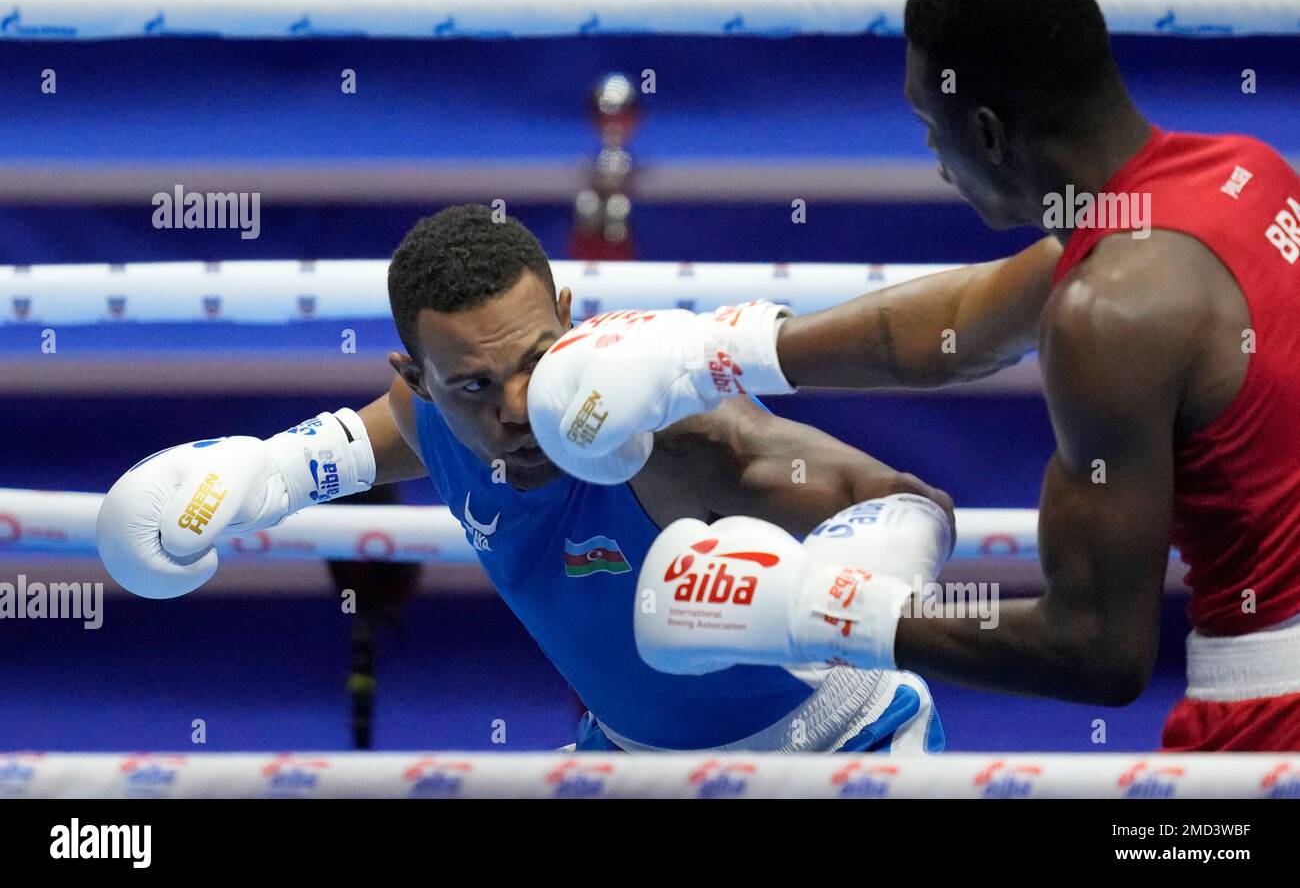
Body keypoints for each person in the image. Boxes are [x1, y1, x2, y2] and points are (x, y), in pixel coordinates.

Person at [526, 0, 1300, 751]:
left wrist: (815, 612)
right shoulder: (1239, 175)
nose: (934, 161)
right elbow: (957, 325)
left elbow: (1096, 650)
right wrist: (716, 353)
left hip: (1272, 721)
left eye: (932, 128)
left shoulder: (1107, 314)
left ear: (990, 133)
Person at [95, 204, 953, 754]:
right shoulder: (426, 420)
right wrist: (233, 484)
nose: (516, 408)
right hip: (633, 760)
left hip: (843, 747)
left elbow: (910, 503)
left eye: (539, 363)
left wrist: (805, 596)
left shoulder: (679, 437)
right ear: (418, 378)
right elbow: (306, 464)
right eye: (472, 385)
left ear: (570, 319)